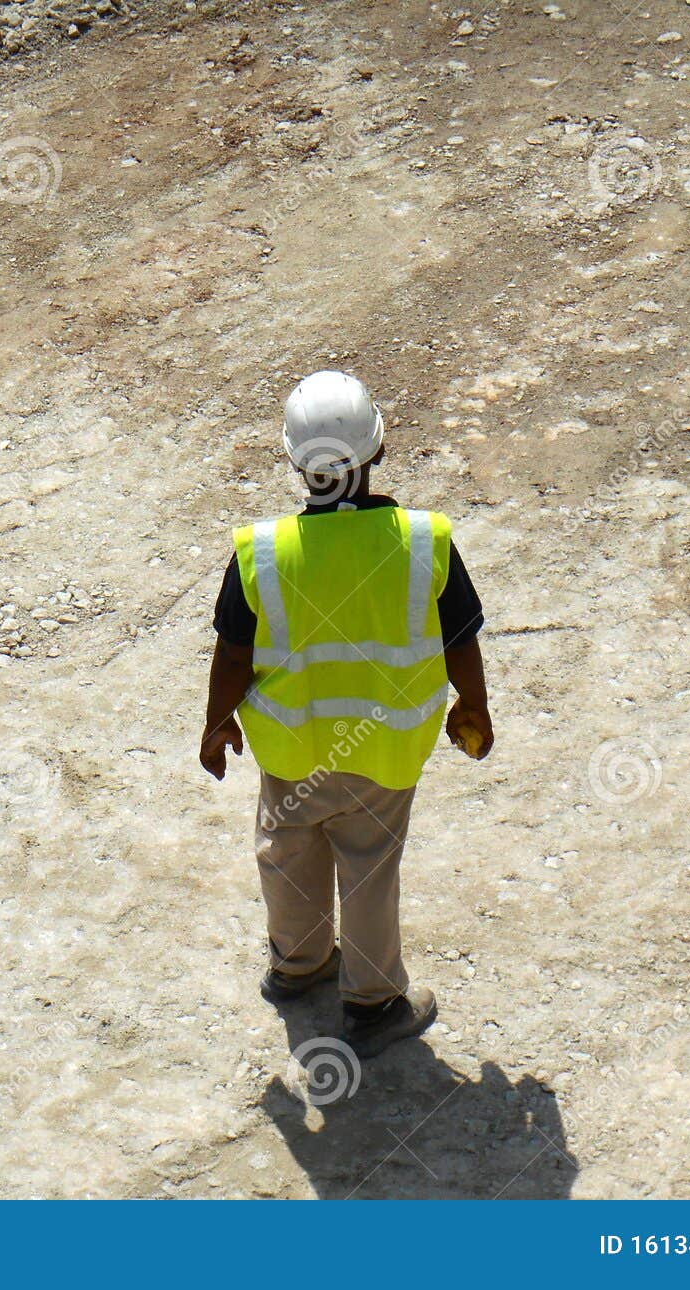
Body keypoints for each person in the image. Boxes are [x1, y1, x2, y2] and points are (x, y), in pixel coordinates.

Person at [201, 370, 494, 1060]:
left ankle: (298, 967)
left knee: (288, 854)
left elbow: (233, 654)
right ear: (379, 451)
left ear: (295, 461)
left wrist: (217, 724)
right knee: (367, 870)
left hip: (290, 751)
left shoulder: (263, 552)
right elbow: (461, 639)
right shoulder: (425, 541)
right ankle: (373, 1002)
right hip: (382, 756)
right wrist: (472, 707)